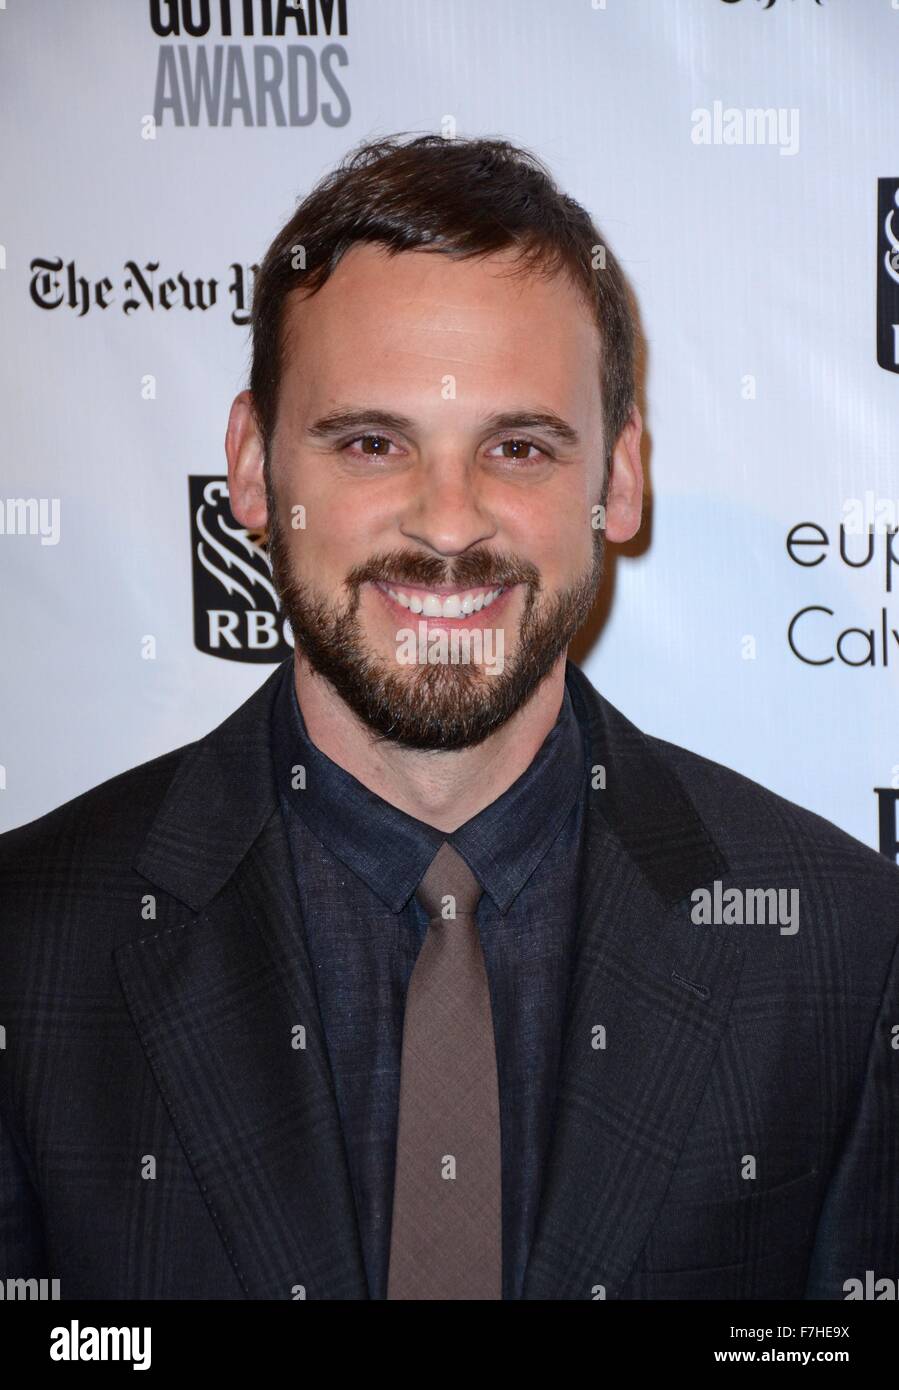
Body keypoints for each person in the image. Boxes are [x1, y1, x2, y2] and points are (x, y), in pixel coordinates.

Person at [1, 134, 897, 1301]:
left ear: (617, 480)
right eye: (372, 443)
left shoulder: (837, 947)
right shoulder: (27, 947)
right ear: (254, 468)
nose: (446, 523)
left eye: (517, 447)